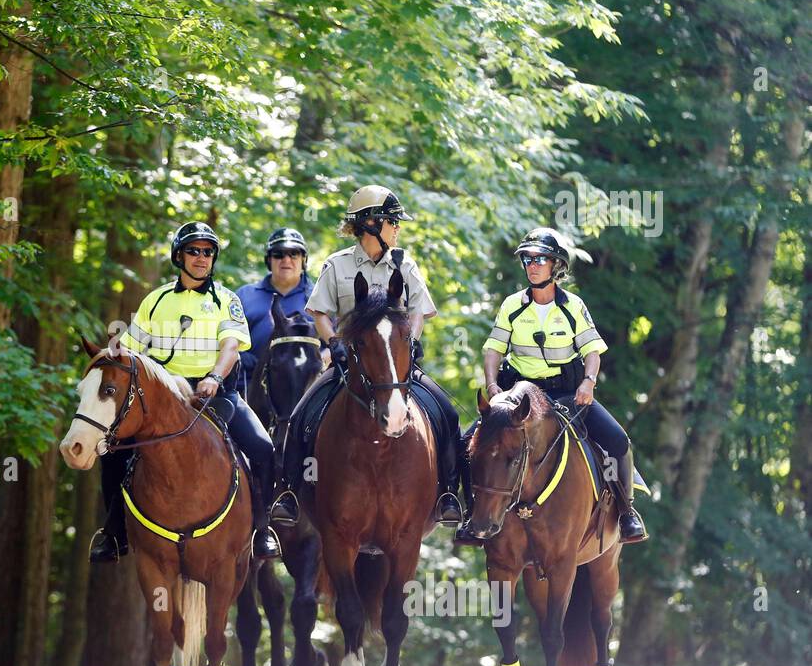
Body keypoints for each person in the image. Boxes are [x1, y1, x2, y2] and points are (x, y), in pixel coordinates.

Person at [88, 221, 283, 563]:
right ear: (179, 256)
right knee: (113, 450)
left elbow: (231, 348)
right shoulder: (156, 300)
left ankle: (262, 531)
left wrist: (214, 377)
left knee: (263, 449)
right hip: (164, 398)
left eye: (208, 252)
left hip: (215, 392)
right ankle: (115, 533)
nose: (201, 258)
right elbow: (130, 349)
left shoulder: (227, 300)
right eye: (194, 251)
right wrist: (109, 354)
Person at [270, 185, 465, 525]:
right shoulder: (337, 264)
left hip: (397, 366)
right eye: (392, 221)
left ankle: (448, 493)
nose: (397, 227)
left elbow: (419, 309)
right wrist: (334, 343)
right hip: (351, 365)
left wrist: (414, 339)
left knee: (447, 413)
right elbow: (318, 313)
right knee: (302, 413)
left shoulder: (406, 265)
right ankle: (287, 492)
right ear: (371, 223)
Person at [457, 228, 647, 544]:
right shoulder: (511, 306)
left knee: (617, 441)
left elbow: (591, 351)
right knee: (467, 444)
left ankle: (626, 512)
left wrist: (588, 382)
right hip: (518, 398)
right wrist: (492, 385)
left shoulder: (573, 307)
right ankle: (470, 514)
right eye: (528, 259)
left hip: (566, 394)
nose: (533, 265)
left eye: (540, 258)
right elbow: (493, 349)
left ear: (555, 265)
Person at [234, 228, 321, 395]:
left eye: (293, 254)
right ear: (269, 260)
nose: (286, 260)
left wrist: (320, 360)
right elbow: (226, 341)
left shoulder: (320, 297)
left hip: (306, 393)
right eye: (279, 254)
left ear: (304, 260)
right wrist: (241, 355)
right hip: (248, 389)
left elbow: (338, 340)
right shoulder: (243, 296)